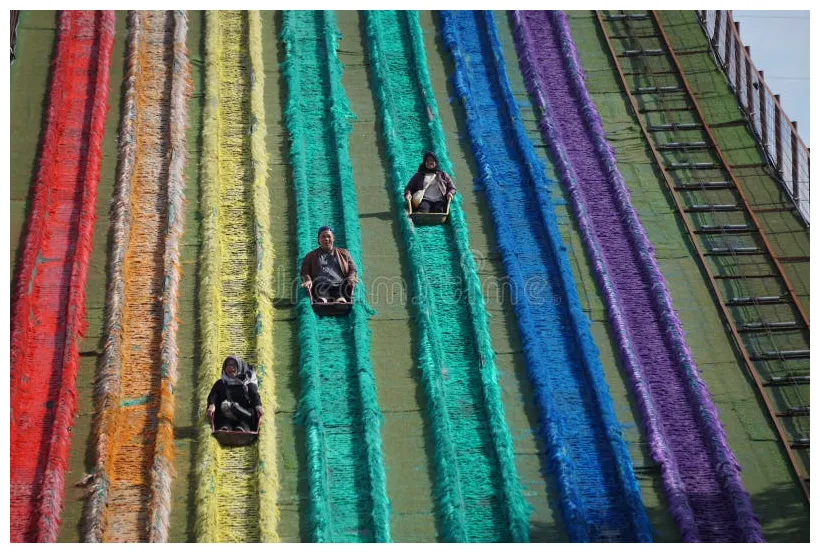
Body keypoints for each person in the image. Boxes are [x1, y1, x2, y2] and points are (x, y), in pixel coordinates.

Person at [300, 226, 358, 303]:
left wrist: (351, 277)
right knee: (320, 287)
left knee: (341, 288)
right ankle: (322, 300)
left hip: (339, 284)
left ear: (333, 238)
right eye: (323, 237)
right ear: (318, 240)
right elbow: (305, 271)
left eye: (329, 236)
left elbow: (353, 269)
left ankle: (340, 300)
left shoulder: (344, 253)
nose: (326, 239)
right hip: (321, 284)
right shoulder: (311, 255)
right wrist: (308, 280)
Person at [207, 356, 264, 432]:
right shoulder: (221, 383)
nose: (230, 367)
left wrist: (258, 406)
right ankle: (225, 428)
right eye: (228, 365)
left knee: (247, 417)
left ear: (240, 367)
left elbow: (254, 395)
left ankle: (242, 429)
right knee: (224, 413)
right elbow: (213, 395)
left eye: (233, 365)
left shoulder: (247, 384)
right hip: (226, 413)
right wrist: (212, 404)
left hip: (244, 413)